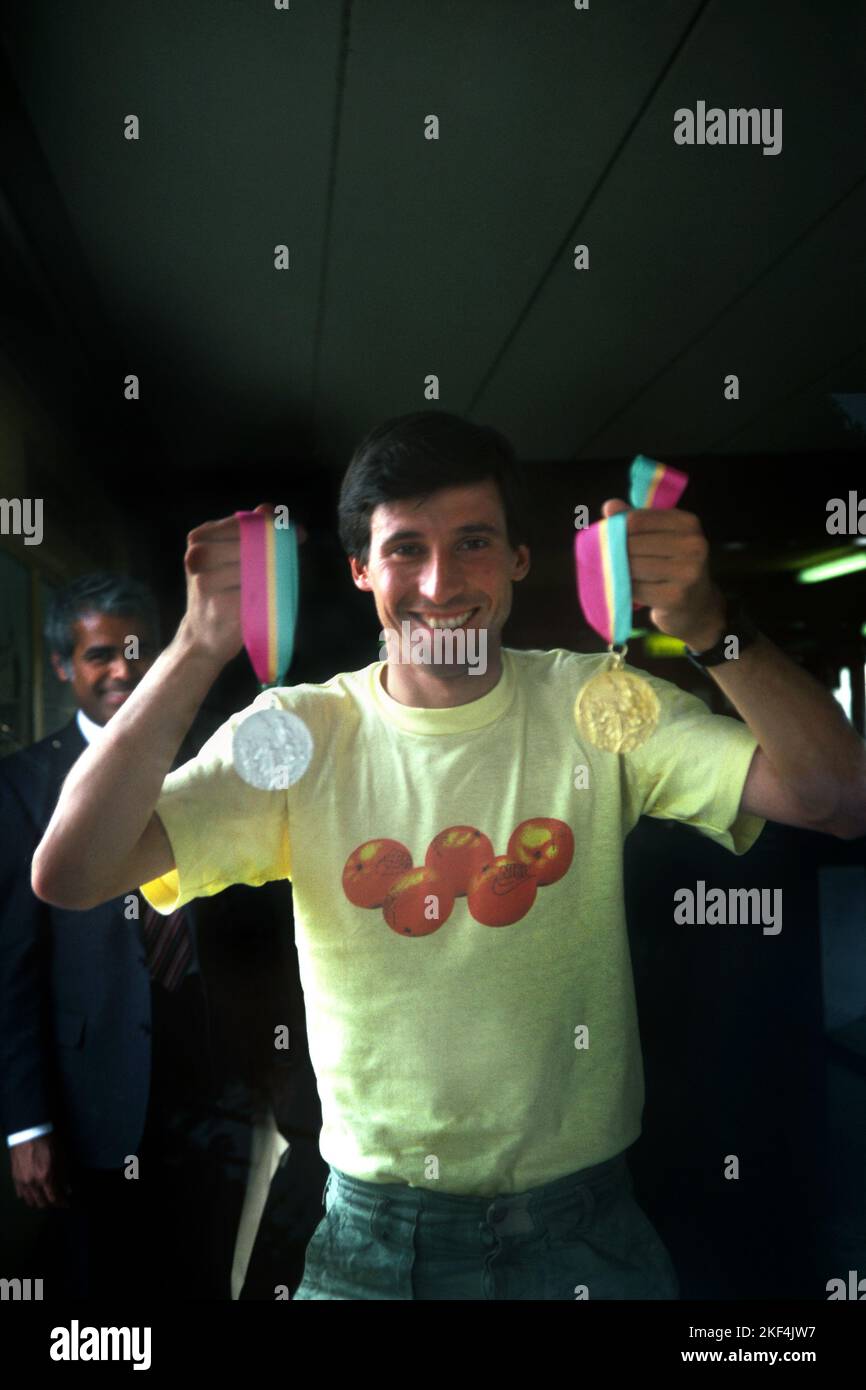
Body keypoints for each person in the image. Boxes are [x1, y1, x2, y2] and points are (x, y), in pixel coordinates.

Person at [31, 414, 866, 1300]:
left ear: (517, 560)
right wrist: (196, 648)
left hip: (584, 1234)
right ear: (360, 571)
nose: (439, 581)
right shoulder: (298, 734)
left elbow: (839, 800)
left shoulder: (599, 703)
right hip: (373, 1245)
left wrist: (714, 630)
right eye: (404, 550)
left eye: (473, 542)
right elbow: (73, 870)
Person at [0, 574, 267, 1299]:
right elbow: (12, 967)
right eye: (98, 654)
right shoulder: (22, 786)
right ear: (63, 665)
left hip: (219, 1071)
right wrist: (25, 1124)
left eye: (137, 649)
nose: (123, 668)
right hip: (94, 1087)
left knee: (214, 1271)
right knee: (104, 1282)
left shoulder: (221, 749)